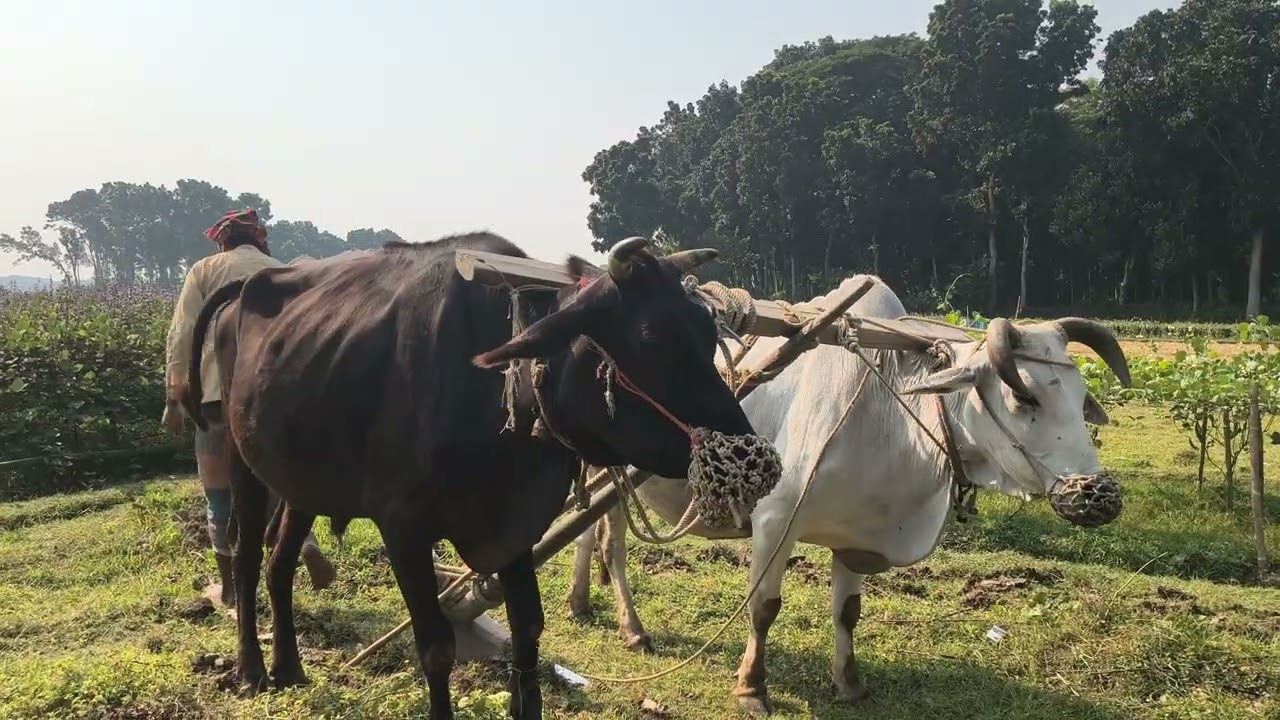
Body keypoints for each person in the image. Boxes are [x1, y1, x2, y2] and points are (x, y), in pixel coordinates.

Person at [161, 209, 337, 607]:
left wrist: (174, 397)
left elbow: (183, 332)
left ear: (222, 241)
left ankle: (230, 590)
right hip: (276, 396)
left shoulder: (205, 271)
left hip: (214, 397)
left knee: (219, 495)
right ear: (260, 240)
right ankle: (305, 543)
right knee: (281, 485)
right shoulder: (282, 272)